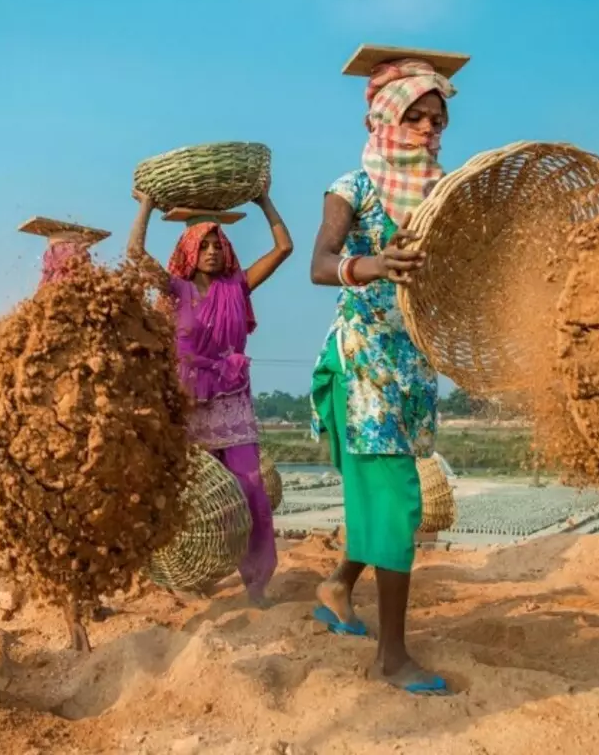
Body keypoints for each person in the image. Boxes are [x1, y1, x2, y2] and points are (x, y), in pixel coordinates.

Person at [308, 55, 456, 695]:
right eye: (415, 116)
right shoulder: (354, 186)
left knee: (386, 501)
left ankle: (337, 587)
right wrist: (376, 264)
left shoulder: (446, 194)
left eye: (437, 119)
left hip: (412, 366)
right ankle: (393, 658)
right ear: (384, 118)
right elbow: (320, 263)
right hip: (364, 361)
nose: (427, 129)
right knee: (397, 502)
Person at [128, 185, 293, 605]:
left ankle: (256, 581)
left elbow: (285, 247)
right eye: (203, 244)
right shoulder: (175, 290)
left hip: (232, 401)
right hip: (186, 404)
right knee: (186, 492)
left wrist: (263, 201)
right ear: (188, 251)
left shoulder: (237, 287)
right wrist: (147, 204)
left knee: (251, 489)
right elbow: (134, 253)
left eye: (218, 243)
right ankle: (185, 576)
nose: (213, 251)